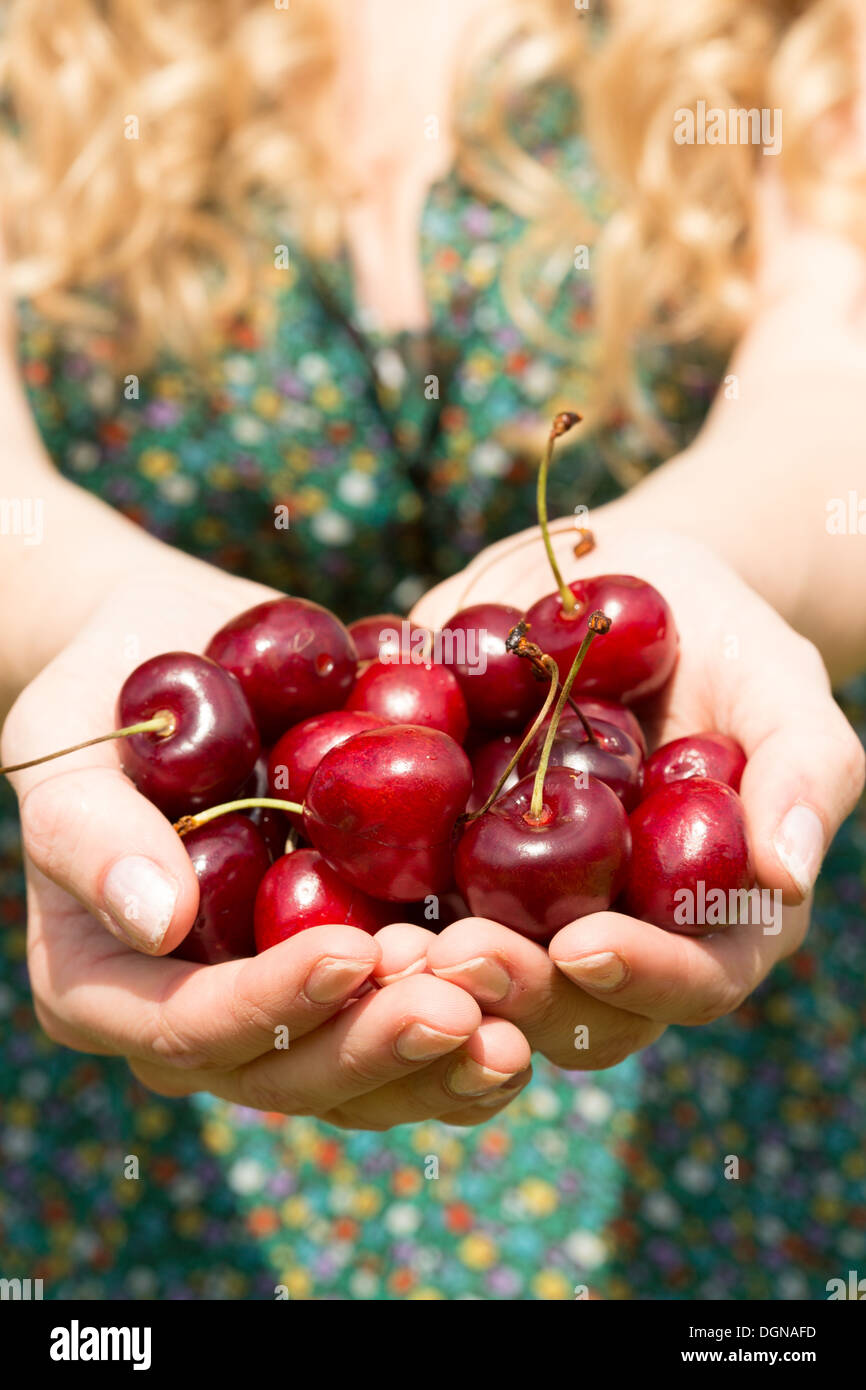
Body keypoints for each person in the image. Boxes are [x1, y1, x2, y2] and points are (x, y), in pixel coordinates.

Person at [0, 0, 864, 1300]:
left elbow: (833, 366)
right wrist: (87, 612)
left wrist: (702, 557)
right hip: (149, 1090)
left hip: (697, 1119)